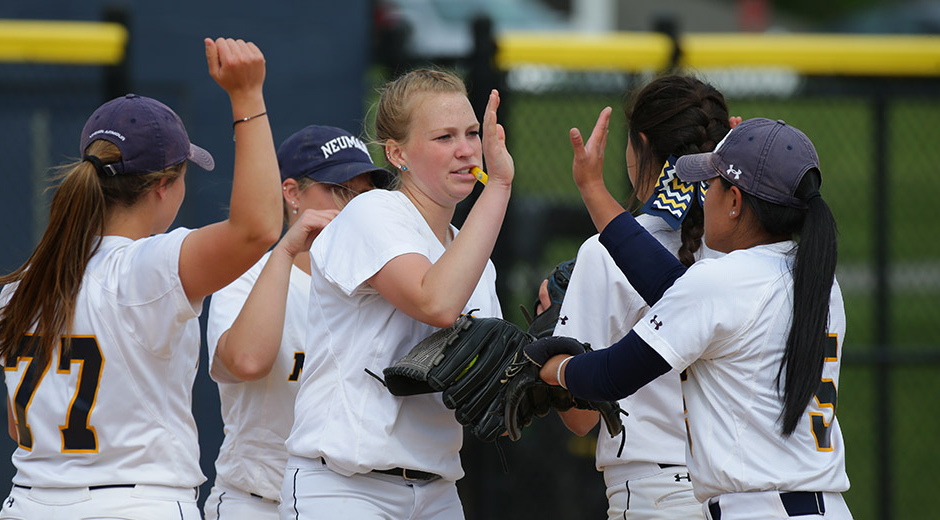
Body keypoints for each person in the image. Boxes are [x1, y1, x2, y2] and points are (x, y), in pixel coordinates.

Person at [0, 38, 283, 519]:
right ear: (162, 186)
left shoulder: (28, 280)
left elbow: (20, 423)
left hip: (29, 502)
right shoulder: (146, 267)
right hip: (133, 502)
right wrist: (247, 97)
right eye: (181, 177)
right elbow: (258, 229)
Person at [534, 112, 852, 519]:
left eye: (712, 184)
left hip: (757, 508)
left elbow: (613, 373)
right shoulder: (816, 279)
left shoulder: (721, 283)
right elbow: (671, 287)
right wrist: (594, 191)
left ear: (735, 202)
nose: (703, 195)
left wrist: (549, 368)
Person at [278, 69, 513, 520]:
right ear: (397, 152)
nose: (466, 149)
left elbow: (486, 386)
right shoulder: (373, 211)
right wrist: (498, 185)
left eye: (470, 133)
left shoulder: (471, 250)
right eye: (444, 137)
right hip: (345, 489)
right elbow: (435, 302)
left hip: (437, 490)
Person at [544, 75, 735, 519]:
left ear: (640, 145)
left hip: (656, 493)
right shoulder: (751, 251)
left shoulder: (603, 253)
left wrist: (552, 335)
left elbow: (580, 418)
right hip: (745, 491)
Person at [202, 125, 393, 519]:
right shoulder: (247, 277)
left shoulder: (387, 284)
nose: (355, 206)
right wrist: (288, 249)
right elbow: (243, 362)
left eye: (366, 193)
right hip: (258, 502)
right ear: (291, 193)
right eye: (341, 190)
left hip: (349, 504)